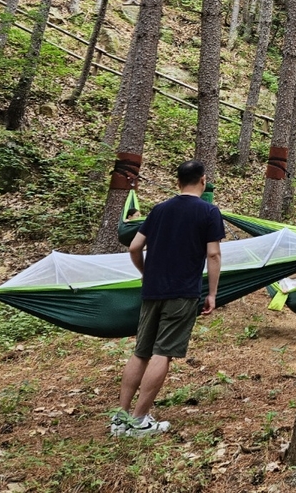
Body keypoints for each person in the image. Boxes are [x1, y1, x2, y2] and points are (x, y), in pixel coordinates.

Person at [112, 159, 225, 437]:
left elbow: (135, 247)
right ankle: (139, 421)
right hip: (182, 292)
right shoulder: (209, 211)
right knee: (162, 352)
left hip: (152, 290)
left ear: (177, 182)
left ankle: (120, 419)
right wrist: (212, 293)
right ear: (203, 180)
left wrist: (145, 273)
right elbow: (213, 254)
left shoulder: (160, 209)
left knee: (141, 352)